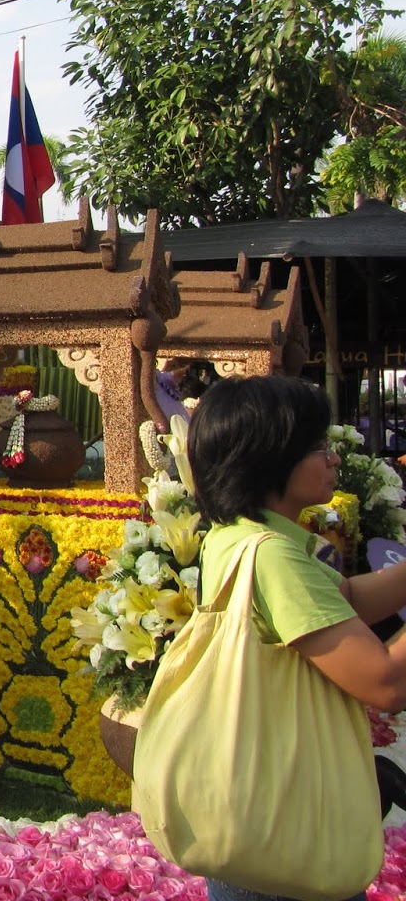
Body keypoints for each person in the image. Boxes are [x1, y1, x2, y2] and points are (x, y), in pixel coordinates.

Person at [183, 375, 406, 901]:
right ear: (269, 459)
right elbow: (386, 684)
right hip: (286, 831)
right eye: (317, 447)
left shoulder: (237, 537)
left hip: (255, 807)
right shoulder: (272, 558)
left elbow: (342, 601)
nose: (333, 458)